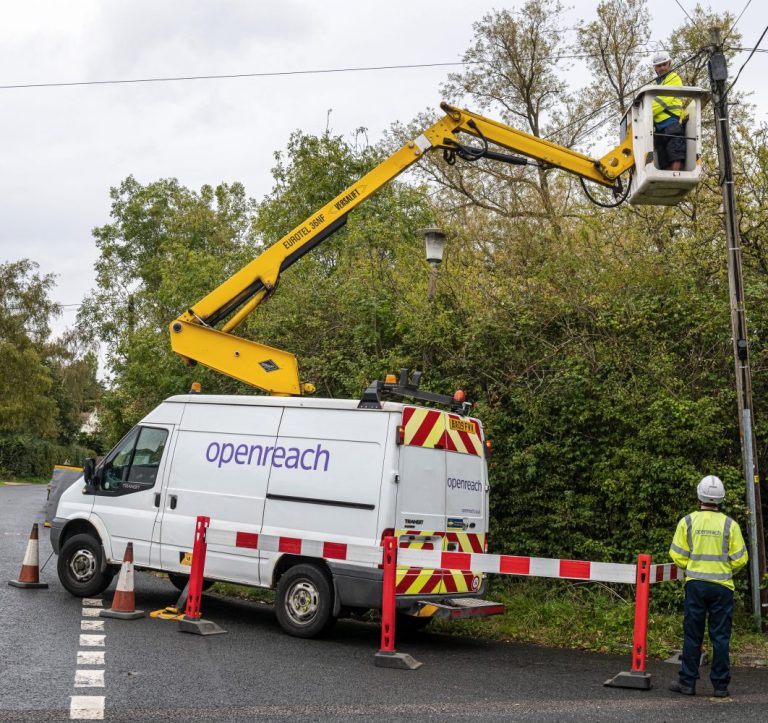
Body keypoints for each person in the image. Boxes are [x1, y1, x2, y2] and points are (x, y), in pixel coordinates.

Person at [668, 475, 748, 697]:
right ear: (720, 499)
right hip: (722, 586)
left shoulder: (688, 521)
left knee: (693, 635)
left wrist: (691, 566)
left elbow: (676, 554)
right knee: (720, 637)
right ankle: (720, 687)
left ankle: (687, 682)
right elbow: (741, 558)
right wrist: (726, 570)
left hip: (695, 585)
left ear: (699, 495)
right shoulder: (730, 525)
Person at [651, 51, 686, 171]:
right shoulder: (657, 84)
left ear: (669, 64)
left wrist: (645, 114)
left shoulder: (673, 78)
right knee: (663, 158)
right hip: (659, 128)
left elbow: (660, 103)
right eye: (659, 66)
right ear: (655, 68)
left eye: (664, 64)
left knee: (675, 153)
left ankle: (675, 176)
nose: (662, 68)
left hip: (671, 123)